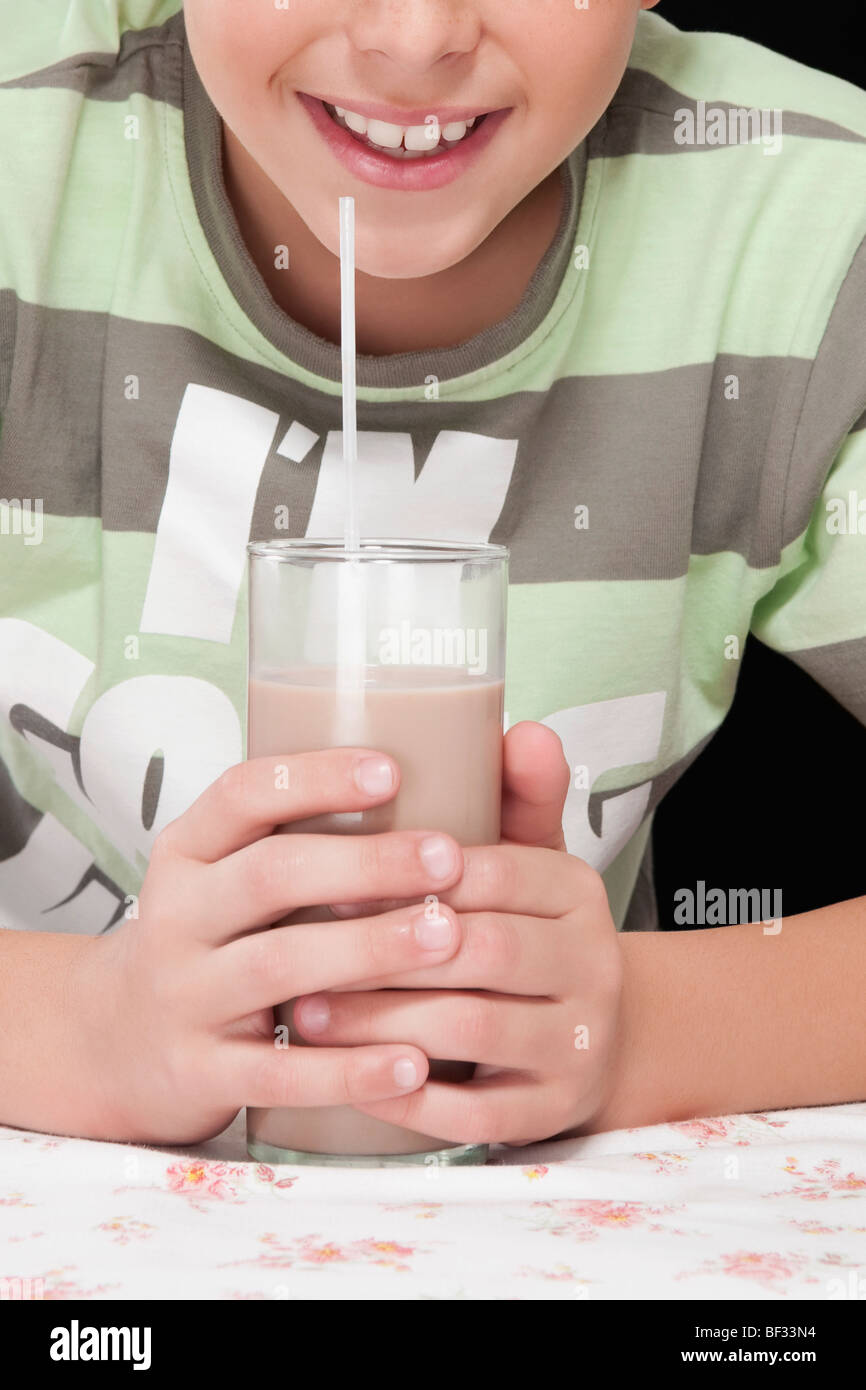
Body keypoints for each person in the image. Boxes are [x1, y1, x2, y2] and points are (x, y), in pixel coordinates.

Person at [1, 0, 864, 1147]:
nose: (413, 39)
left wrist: (631, 1026)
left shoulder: (796, 227)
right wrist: (81, 1029)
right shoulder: (27, 150)